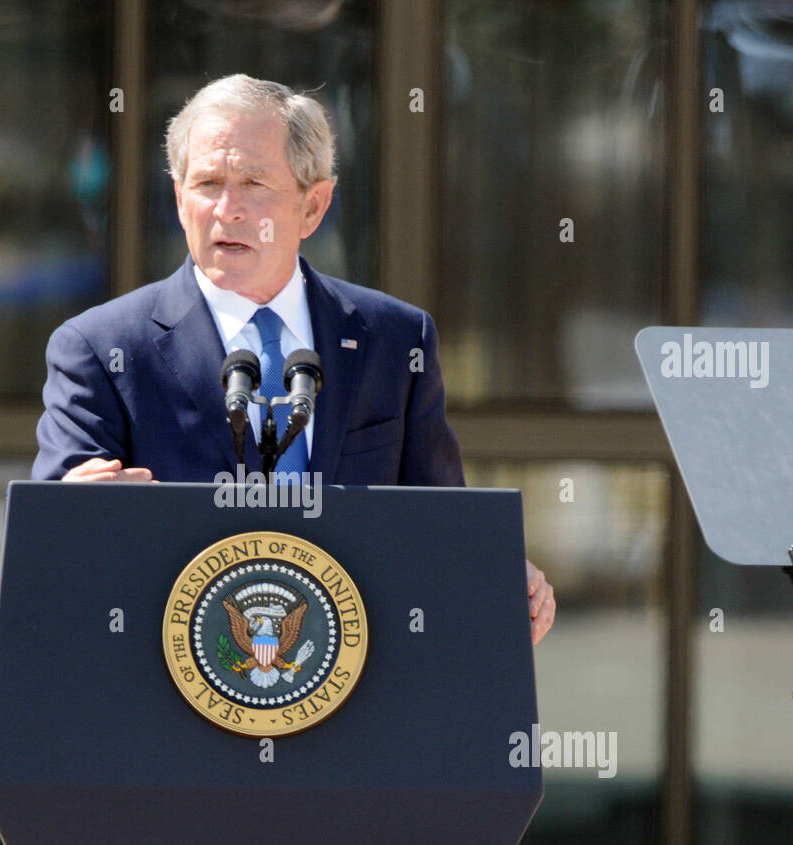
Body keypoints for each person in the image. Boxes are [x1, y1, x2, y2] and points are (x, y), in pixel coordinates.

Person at [33, 74, 555, 643]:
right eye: (207, 183)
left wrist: (494, 580)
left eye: (254, 183)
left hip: (351, 692)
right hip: (171, 685)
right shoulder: (101, 349)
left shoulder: (394, 339)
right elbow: (58, 550)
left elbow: (438, 526)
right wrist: (74, 519)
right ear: (180, 199)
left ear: (313, 206)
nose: (227, 210)